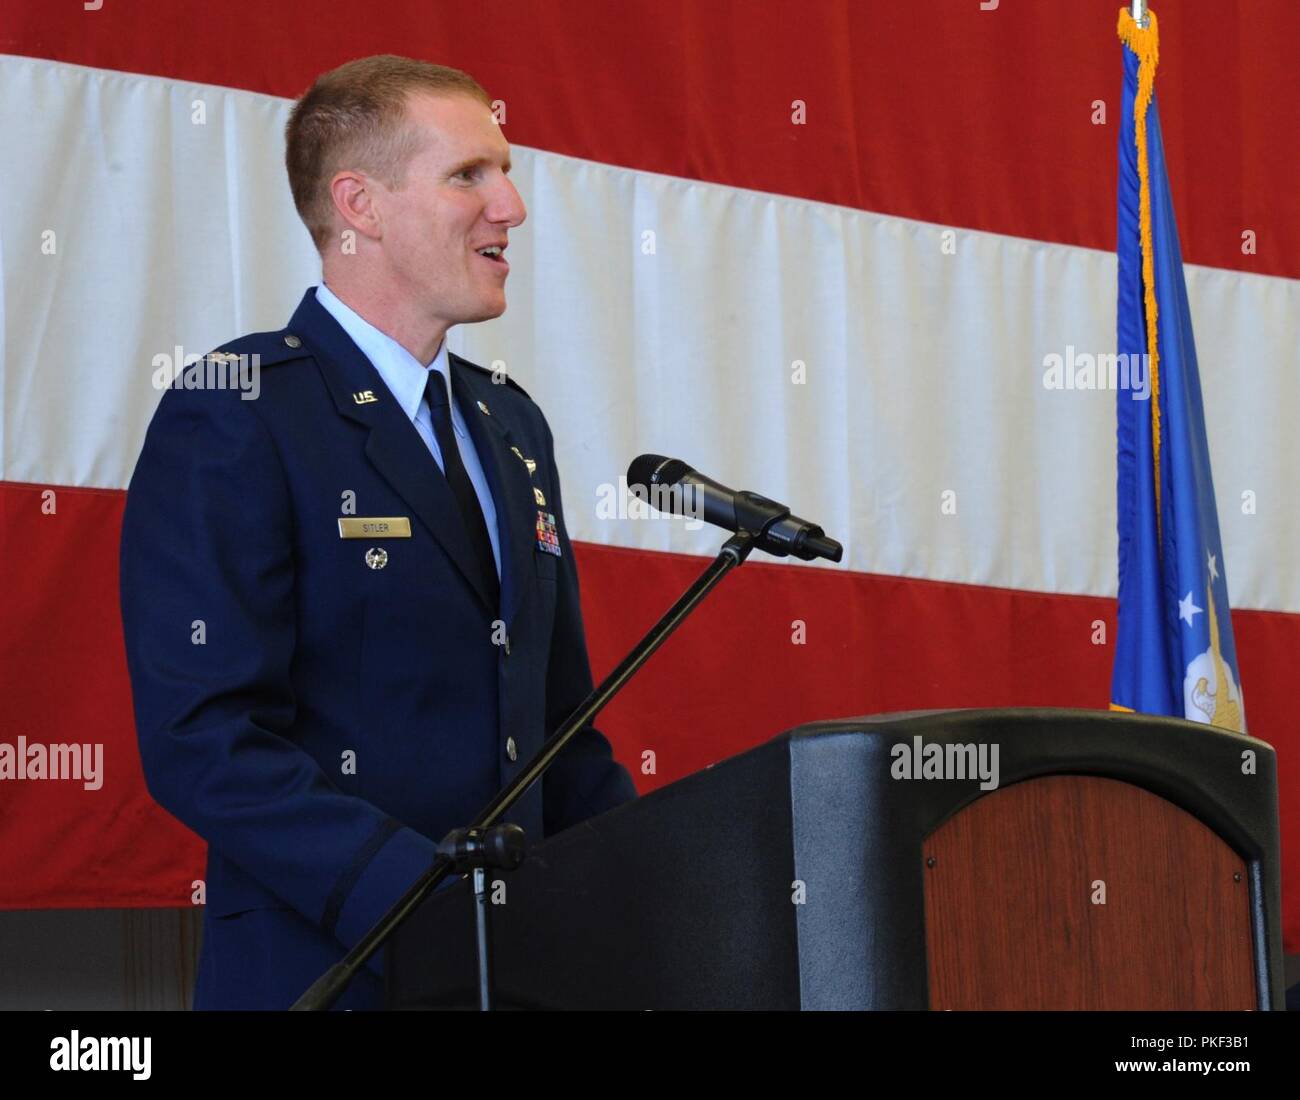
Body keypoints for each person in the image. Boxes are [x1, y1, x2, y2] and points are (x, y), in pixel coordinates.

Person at [119, 55, 637, 1011]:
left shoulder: (511, 426)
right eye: (468, 175)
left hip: (516, 976)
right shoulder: (238, 409)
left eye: (506, 172)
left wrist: (659, 895)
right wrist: (425, 902)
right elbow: (205, 736)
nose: (511, 207)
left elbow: (560, 732)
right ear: (358, 204)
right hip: (331, 969)